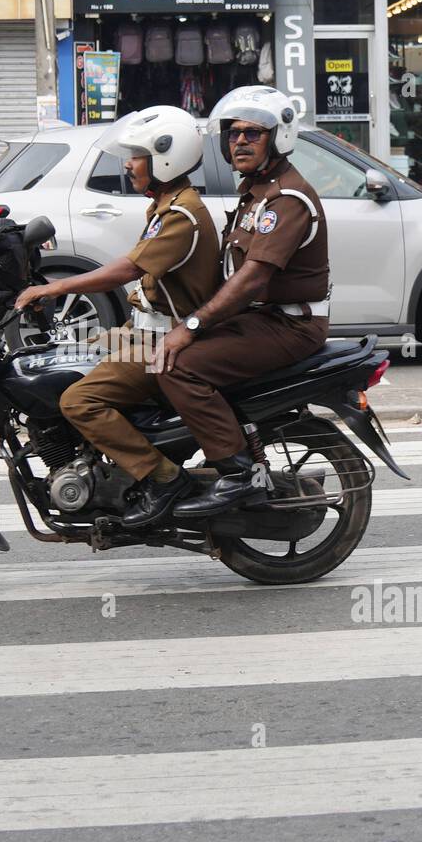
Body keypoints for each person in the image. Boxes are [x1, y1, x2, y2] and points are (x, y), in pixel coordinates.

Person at [14, 106, 221, 528]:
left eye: (138, 155)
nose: (128, 163)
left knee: (79, 401)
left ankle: (163, 478)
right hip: (142, 333)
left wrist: (53, 287)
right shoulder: (166, 206)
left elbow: (127, 270)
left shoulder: (181, 217)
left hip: (166, 345)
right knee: (64, 360)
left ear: (166, 158)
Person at [151, 86, 331, 519]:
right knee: (145, 354)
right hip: (261, 320)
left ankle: (236, 474)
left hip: (288, 327)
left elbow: (252, 279)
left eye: (253, 133)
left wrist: (191, 327)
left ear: (278, 138)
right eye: (232, 134)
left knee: (179, 366)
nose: (240, 142)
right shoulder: (257, 192)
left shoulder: (287, 199)